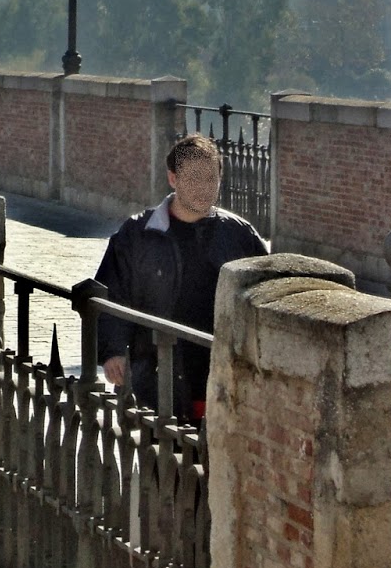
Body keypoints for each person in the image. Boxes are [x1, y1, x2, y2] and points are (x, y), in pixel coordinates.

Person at [94, 133, 268, 421]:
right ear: (173, 179)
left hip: (222, 377)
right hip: (155, 376)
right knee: (160, 448)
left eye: (211, 179)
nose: (204, 188)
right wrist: (113, 351)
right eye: (194, 178)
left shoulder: (239, 235)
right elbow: (111, 294)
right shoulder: (138, 235)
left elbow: (265, 295)